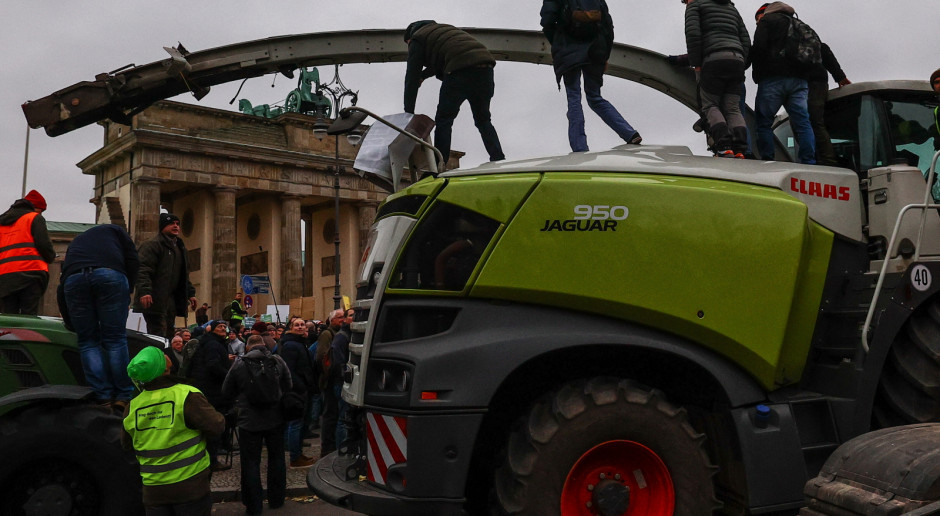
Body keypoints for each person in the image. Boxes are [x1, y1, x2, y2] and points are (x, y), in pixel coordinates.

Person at [122, 346, 225, 516]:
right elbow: (216, 426)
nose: (166, 354)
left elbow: (126, 445)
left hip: (154, 492)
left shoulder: (132, 406)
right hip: (190, 488)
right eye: (161, 355)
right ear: (163, 368)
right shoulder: (186, 395)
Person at [540, 0, 642, 152]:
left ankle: (579, 147)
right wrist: (605, 56)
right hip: (596, 50)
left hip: (567, 51)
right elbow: (608, 26)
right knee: (595, 97)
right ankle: (629, 133)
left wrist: (557, 42)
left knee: (574, 98)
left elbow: (547, 21)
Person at [58, 224, 139, 410]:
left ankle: (103, 396)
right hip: (109, 274)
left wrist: (71, 322)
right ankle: (123, 396)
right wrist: (128, 290)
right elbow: (133, 260)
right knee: (115, 339)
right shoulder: (116, 231)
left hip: (74, 279)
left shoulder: (76, 243)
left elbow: (62, 285)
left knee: (88, 342)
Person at [403, 20, 506, 165]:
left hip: (459, 70)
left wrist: (408, 114)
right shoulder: (444, 31)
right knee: (483, 120)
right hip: (485, 68)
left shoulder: (417, 39)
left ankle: (440, 164)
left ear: (410, 38)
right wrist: (423, 76)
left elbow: (411, 78)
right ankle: (498, 158)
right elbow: (442, 58)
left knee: (444, 120)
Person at [221, 335, 292, 515]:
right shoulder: (277, 361)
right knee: (277, 459)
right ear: (264, 345)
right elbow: (289, 385)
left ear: (247, 347)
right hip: (275, 418)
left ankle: (254, 505)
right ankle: (277, 499)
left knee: (250, 463)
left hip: (249, 420)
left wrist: (240, 400)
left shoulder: (239, 364)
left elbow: (226, 390)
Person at [684, 0, 751, 158]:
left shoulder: (695, 5)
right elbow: (745, 39)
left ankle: (724, 146)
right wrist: (741, 60)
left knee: (710, 105)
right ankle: (740, 149)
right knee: (733, 108)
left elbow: (693, 34)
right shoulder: (731, 7)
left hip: (713, 60)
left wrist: (696, 63)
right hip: (737, 60)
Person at [751, 2, 816, 164]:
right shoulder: (799, 23)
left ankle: (768, 159)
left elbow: (758, 48)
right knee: (803, 122)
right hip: (799, 80)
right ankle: (808, 160)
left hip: (772, 78)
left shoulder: (767, 21)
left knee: (764, 123)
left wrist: (758, 75)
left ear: (765, 12)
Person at [133, 213, 197, 339]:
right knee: (157, 334)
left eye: (177, 224)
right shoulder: (152, 245)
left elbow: (184, 275)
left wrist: (191, 293)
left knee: (168, 334)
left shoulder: (180, 248)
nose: (176, 226)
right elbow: (143, 270)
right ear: (163, 226)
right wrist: (145, 292)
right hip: (155, 299)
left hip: (170, 300)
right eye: (171, 223)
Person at [187, 319, 233, 471]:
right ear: (211, 329)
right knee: (213, 425)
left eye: (224, 326)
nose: (223, 328)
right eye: (219, 326)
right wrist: (229, 377)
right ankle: (212, 460)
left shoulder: (212, 342)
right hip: (211, 391)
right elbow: (213, 365)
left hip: (207, 389)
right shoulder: (213, 344)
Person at [0, 190, 55, 315]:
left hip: (5, 277)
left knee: (8, 317)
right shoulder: (34, 218)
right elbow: (43, 244)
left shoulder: (2, 222)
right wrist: (50, 257)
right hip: (31, 273)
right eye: (41, 210)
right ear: (35, 207)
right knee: (29, 316)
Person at [277, 316, 318, 468]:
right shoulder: (291, 345)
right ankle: (295, 457)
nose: (300, 327)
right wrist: (300, 387)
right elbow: (289, 369)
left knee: (300, 424)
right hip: (297, 390)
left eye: (302, 325)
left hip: (303, 388)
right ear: (291, 328)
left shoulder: (299, 343)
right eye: (297, 325)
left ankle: (298, 453)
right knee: (296, 424)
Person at [807, 44, 851, 165]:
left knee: (813, 121)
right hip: (814, 81)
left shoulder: (796, 35)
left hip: (813, 82)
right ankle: (817, 159)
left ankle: (827, 161)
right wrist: (839, 76)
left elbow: (823, 49)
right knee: (809, 121)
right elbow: (824, 50)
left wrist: (839, 76)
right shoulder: (805, 36)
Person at [316, 309, 343, 457]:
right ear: (332, 320)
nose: (342, 319)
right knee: (330, 414)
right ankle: (327, 448)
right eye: (339, 317)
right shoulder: (327, 334)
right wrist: (329, 373)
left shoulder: (338, 333)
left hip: (333, 379)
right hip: (330, 380)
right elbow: (322, 356)